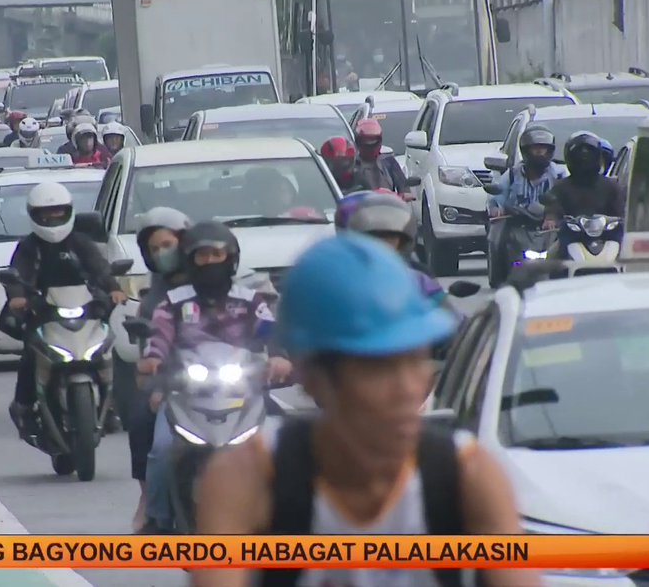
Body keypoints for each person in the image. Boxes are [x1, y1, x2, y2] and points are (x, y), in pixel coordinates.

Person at [191, 233, 538, 587]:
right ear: (312, 377)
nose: (407, 388)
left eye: (416, 360)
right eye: (378, 368)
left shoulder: (468, 477)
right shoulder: (249, 479)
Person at [136, 221, 292, 534]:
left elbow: (273, 332)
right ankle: (158, 518)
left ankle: (288, 517)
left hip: (245, 392)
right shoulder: (174, 302)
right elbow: (160, 337)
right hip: (184, 394)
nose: (209, 262)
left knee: (285, 441)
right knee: (163, 449)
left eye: (216, 255)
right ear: (190, 260)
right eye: (201, 255)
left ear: (231, 259)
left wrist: (279, 357)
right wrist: (153, 360)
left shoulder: (251, 300)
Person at [3, 182, 127, 435]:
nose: (52, 218)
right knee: (30, 354)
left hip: (86, 309)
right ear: (34, 215)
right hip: (44, 311)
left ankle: (113, 404)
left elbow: (99, 267)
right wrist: (18, 296)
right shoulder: (29, 247)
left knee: (108, 347)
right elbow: (18, 273)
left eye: (58, 212)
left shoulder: (80, 243)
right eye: (46, 214)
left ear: (69, 212)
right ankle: (24, 406)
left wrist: (113, 287)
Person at [121, 207, 193, 532]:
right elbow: (152, 347)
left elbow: (260, 323)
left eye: (169, 244)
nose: (163, 253)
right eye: (155, 249)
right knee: (153, 437)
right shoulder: (156, 302)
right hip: (176, 387)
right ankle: (154, 509)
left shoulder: (224, 285)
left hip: (230, 388)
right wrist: (157, 381)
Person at [335, 190, 445, 306]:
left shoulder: (420, 278)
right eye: (376, 237)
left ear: (404, 240)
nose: (383, 244)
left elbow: (445, 314)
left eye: (390, 237)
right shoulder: (340, 279)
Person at [542, 131, 627, 234]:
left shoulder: (611, 187)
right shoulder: (560, 188)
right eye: (579, 156)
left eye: (589, 155)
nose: (584, 159)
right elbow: (552, 208)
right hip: (569, 240)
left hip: (607, 241)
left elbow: (622, 216)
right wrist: (550, 220)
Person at [351, 118, 410, 197]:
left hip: (390, 206)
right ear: (358, 143)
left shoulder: (388, 162)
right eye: (366, 144)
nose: (370, 148)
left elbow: (402, 183)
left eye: (374, 142)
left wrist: (404, 193)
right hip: (362, 207)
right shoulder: (351, 165)